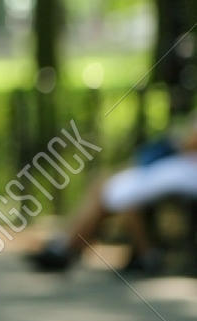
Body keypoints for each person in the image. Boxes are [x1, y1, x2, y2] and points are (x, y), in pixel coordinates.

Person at [27, 114, 197, 275]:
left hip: (183, 172)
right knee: (105, 185)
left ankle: (68, 247)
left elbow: (188, 143)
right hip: (175, 171)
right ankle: (69, 245)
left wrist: (177, 139)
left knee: (112, 190)